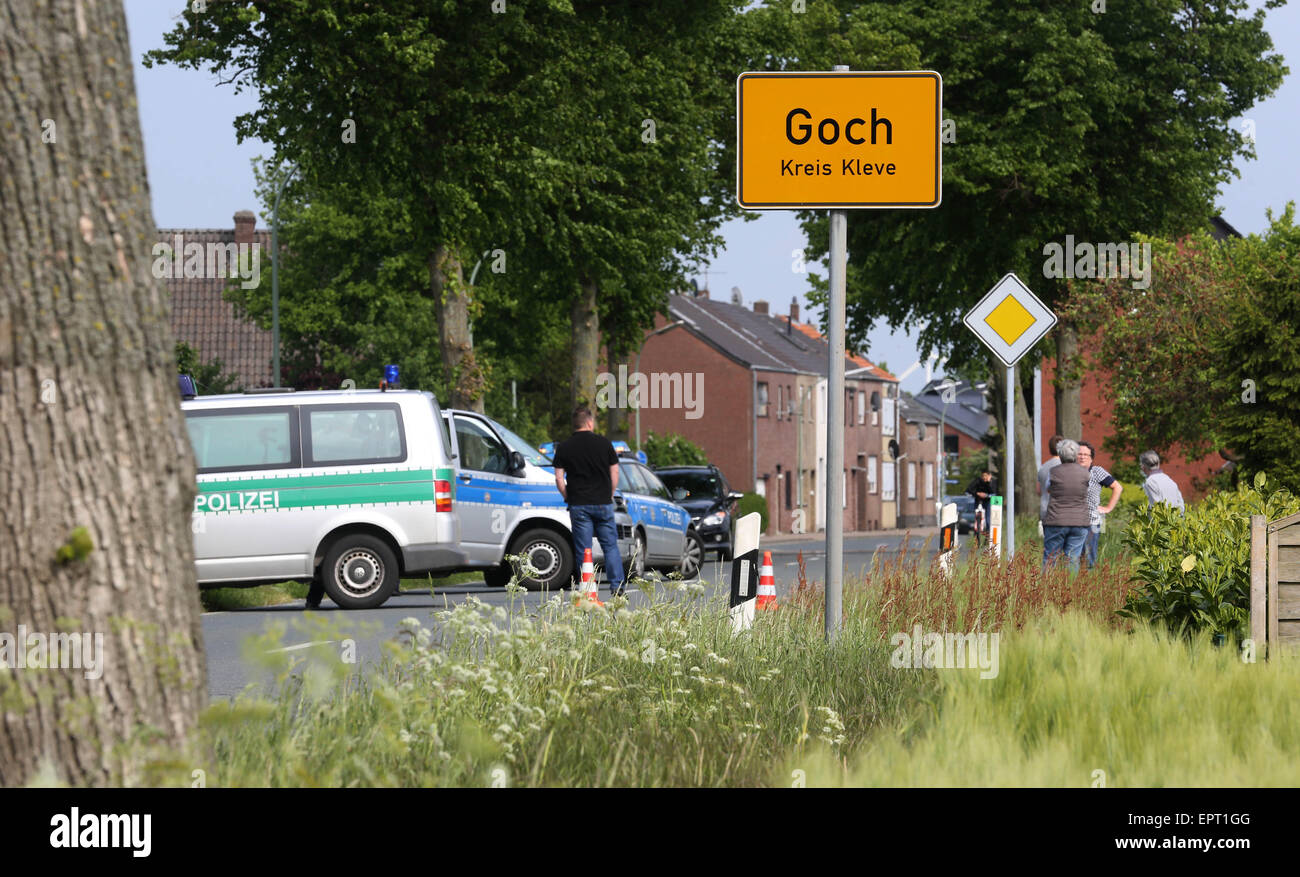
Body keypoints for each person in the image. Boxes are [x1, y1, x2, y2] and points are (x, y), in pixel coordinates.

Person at [552, 406, 626, 598]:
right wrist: (610, 493)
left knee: (584, 549)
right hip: (603, 502)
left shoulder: (564, 447)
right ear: (590, 422)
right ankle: (617, 588)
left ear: (574, 424)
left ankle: (586, 590)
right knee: (610, 546)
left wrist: (567, 496)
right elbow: (615, 471)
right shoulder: (604, 443)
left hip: (579, 504)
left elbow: (559, 479)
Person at [1042, 439, 1090, 572]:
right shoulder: (1085, 473)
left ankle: (1047, 584)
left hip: (1056, 520)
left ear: (1060, 454)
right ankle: (1070, 584)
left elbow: (1048, 488)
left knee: (1051, 557)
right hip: (1079, 521)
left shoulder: (1053, 472)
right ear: (1076, 455)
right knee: (1073, 559)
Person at [1077, 441, 1121, 568]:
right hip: (1073, 520)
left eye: (1086, 454)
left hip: (1093, 520)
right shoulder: (1070, 472)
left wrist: (1108, 508)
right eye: (1079, 454)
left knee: (1089, 555)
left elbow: (1117, 487)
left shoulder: (1097, 472)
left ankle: (1089, 577)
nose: (1082, 457)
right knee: (1074, 556)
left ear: (1091, 458)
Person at [1036, 434, 1063, 535]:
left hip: (1045, 510)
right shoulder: (1065, 466)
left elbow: (1038, 491)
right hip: (1061, 512)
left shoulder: (1043, 467)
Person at [965, 469, 999, 545]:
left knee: (988, 519)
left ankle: (987, 537)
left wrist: (987, 492)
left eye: (986, 476)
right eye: (983, 476)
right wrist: (977, 493)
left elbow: (994, 493)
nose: (984, 478)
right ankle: (976, 539)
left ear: (990, 476)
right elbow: (969, 490)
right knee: (976, 520)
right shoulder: (977, 481)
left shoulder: (993, 482)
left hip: (988, 501)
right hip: (978, 501)